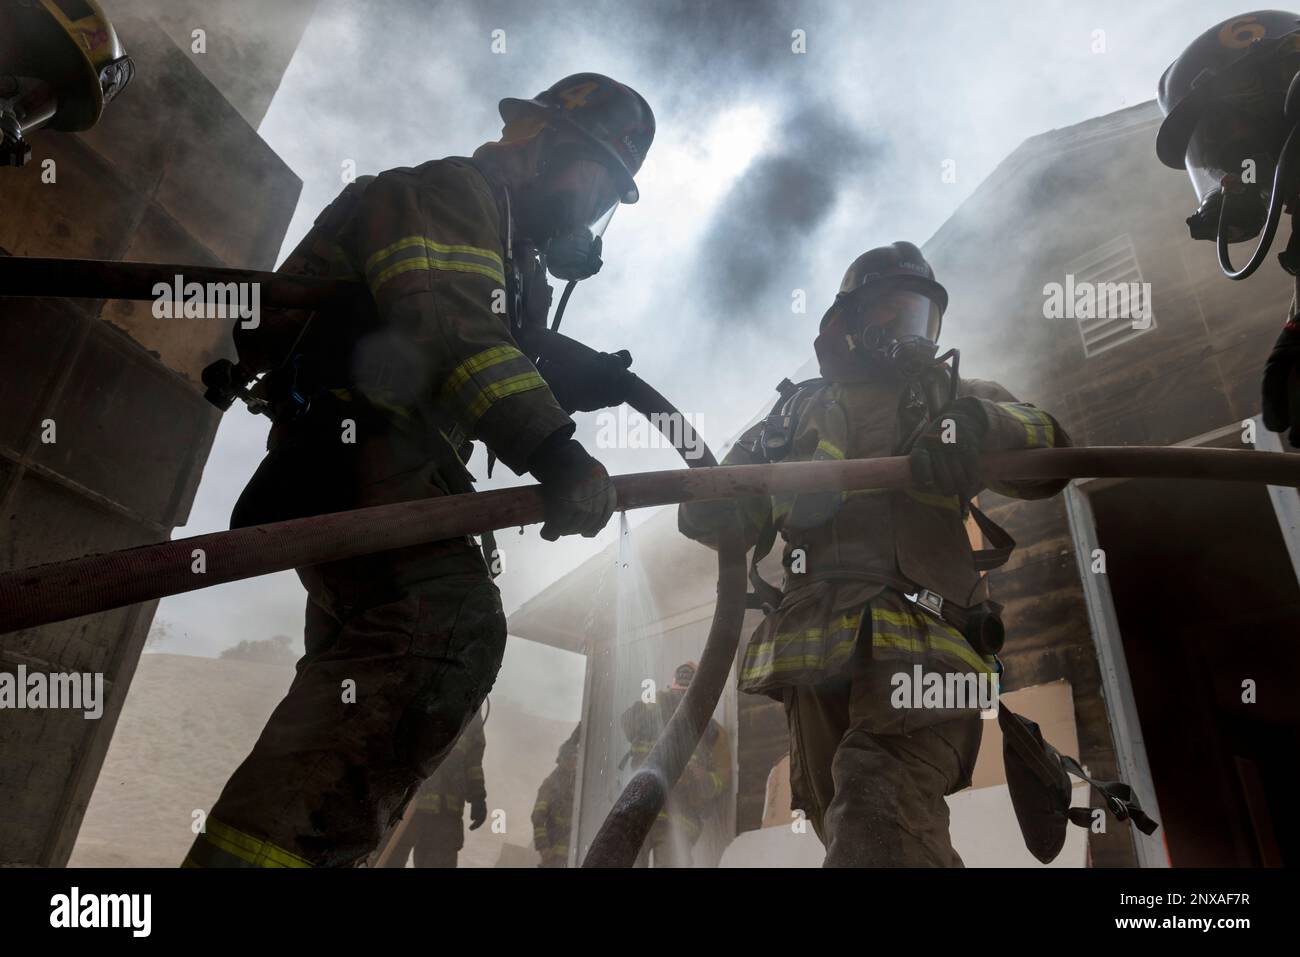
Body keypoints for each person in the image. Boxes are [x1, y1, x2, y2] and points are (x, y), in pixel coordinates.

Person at [183, 74, 654, 868]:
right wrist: (554, 449)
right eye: (593, 179)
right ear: (541, 145)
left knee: (360, 676)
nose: (591, 207)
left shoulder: (511, 250)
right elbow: (449, 329)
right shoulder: (447, 191)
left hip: (393, 461)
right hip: (354, 446)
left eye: (609, 194)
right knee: (447, 625)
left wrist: (590, 373)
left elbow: (497, 333)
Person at [680, 242, 1071, 867]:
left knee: (875, 815)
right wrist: (722, 492)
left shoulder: (953, 397)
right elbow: (708, 514)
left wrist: (976, 425)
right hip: (815, 667)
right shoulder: (790, 417)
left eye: (920, 315)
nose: (908, 330)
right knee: (862, 834)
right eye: (891, 312)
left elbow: (1050, 450)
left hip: (929, 653)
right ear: (849, 323)